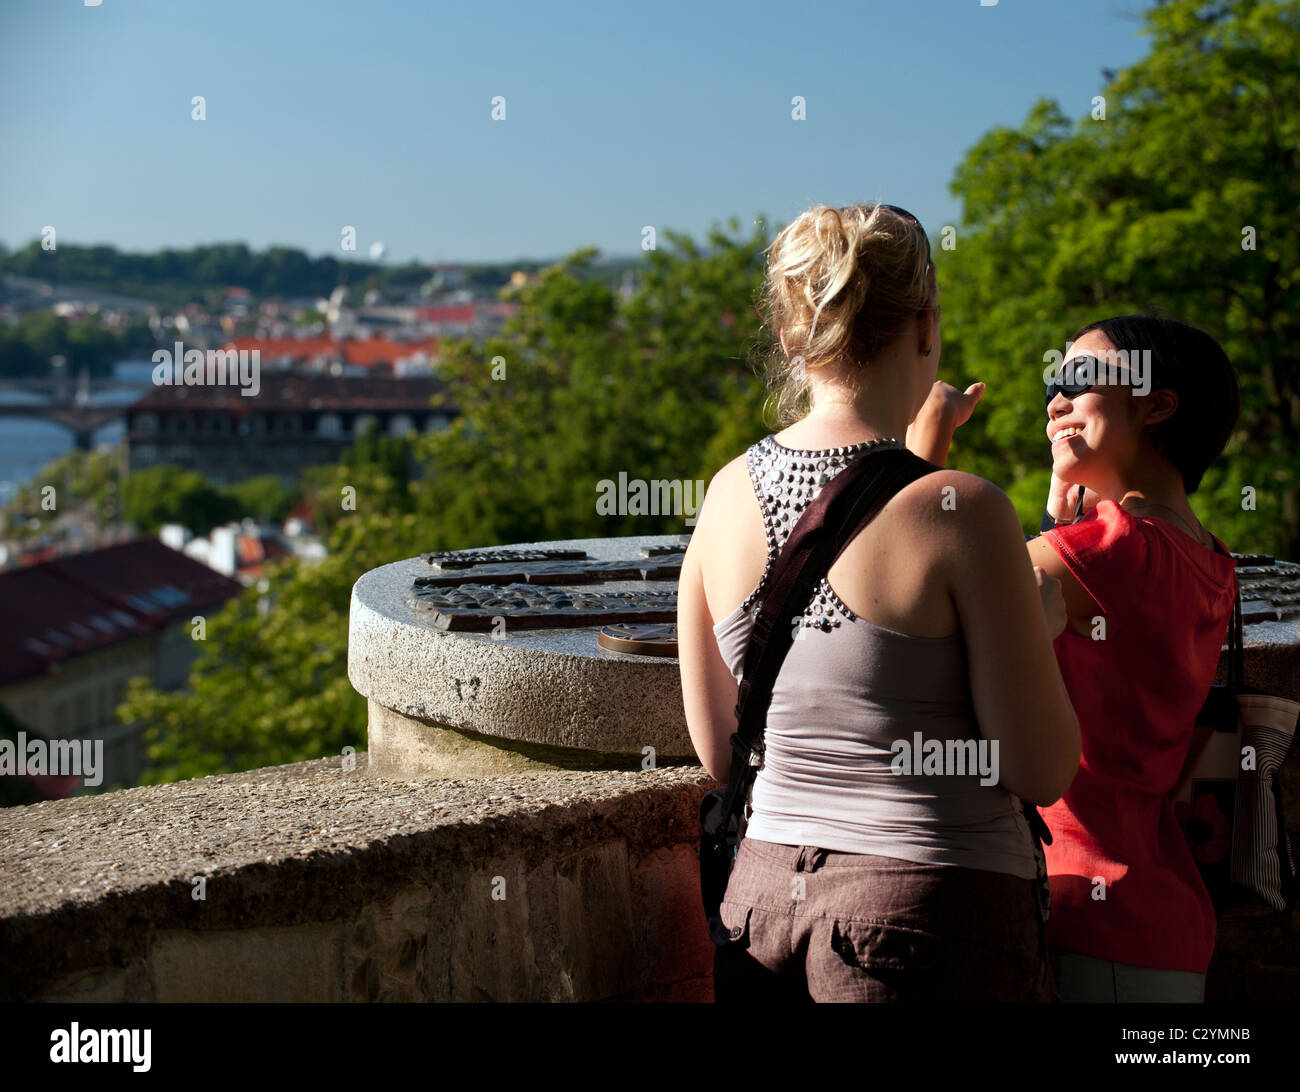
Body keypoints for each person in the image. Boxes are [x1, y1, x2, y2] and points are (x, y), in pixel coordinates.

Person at [676, 202, 1080, 1003]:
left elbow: (724, 757)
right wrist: (1041, 621)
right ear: (926, 325)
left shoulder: (721, 497)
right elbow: (1040, 769)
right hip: (928, 911)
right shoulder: (964, 511)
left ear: (792, 335)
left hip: (758, 907)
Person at [1029, 316, 1240, 1002]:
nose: (1054, 399)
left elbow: (936, 578)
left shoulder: (1112, 548)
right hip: (1162, 929)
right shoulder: (1213, 560)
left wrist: (921, 447)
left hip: (1091, 922)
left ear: (1157, 403)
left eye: (1077, 378)